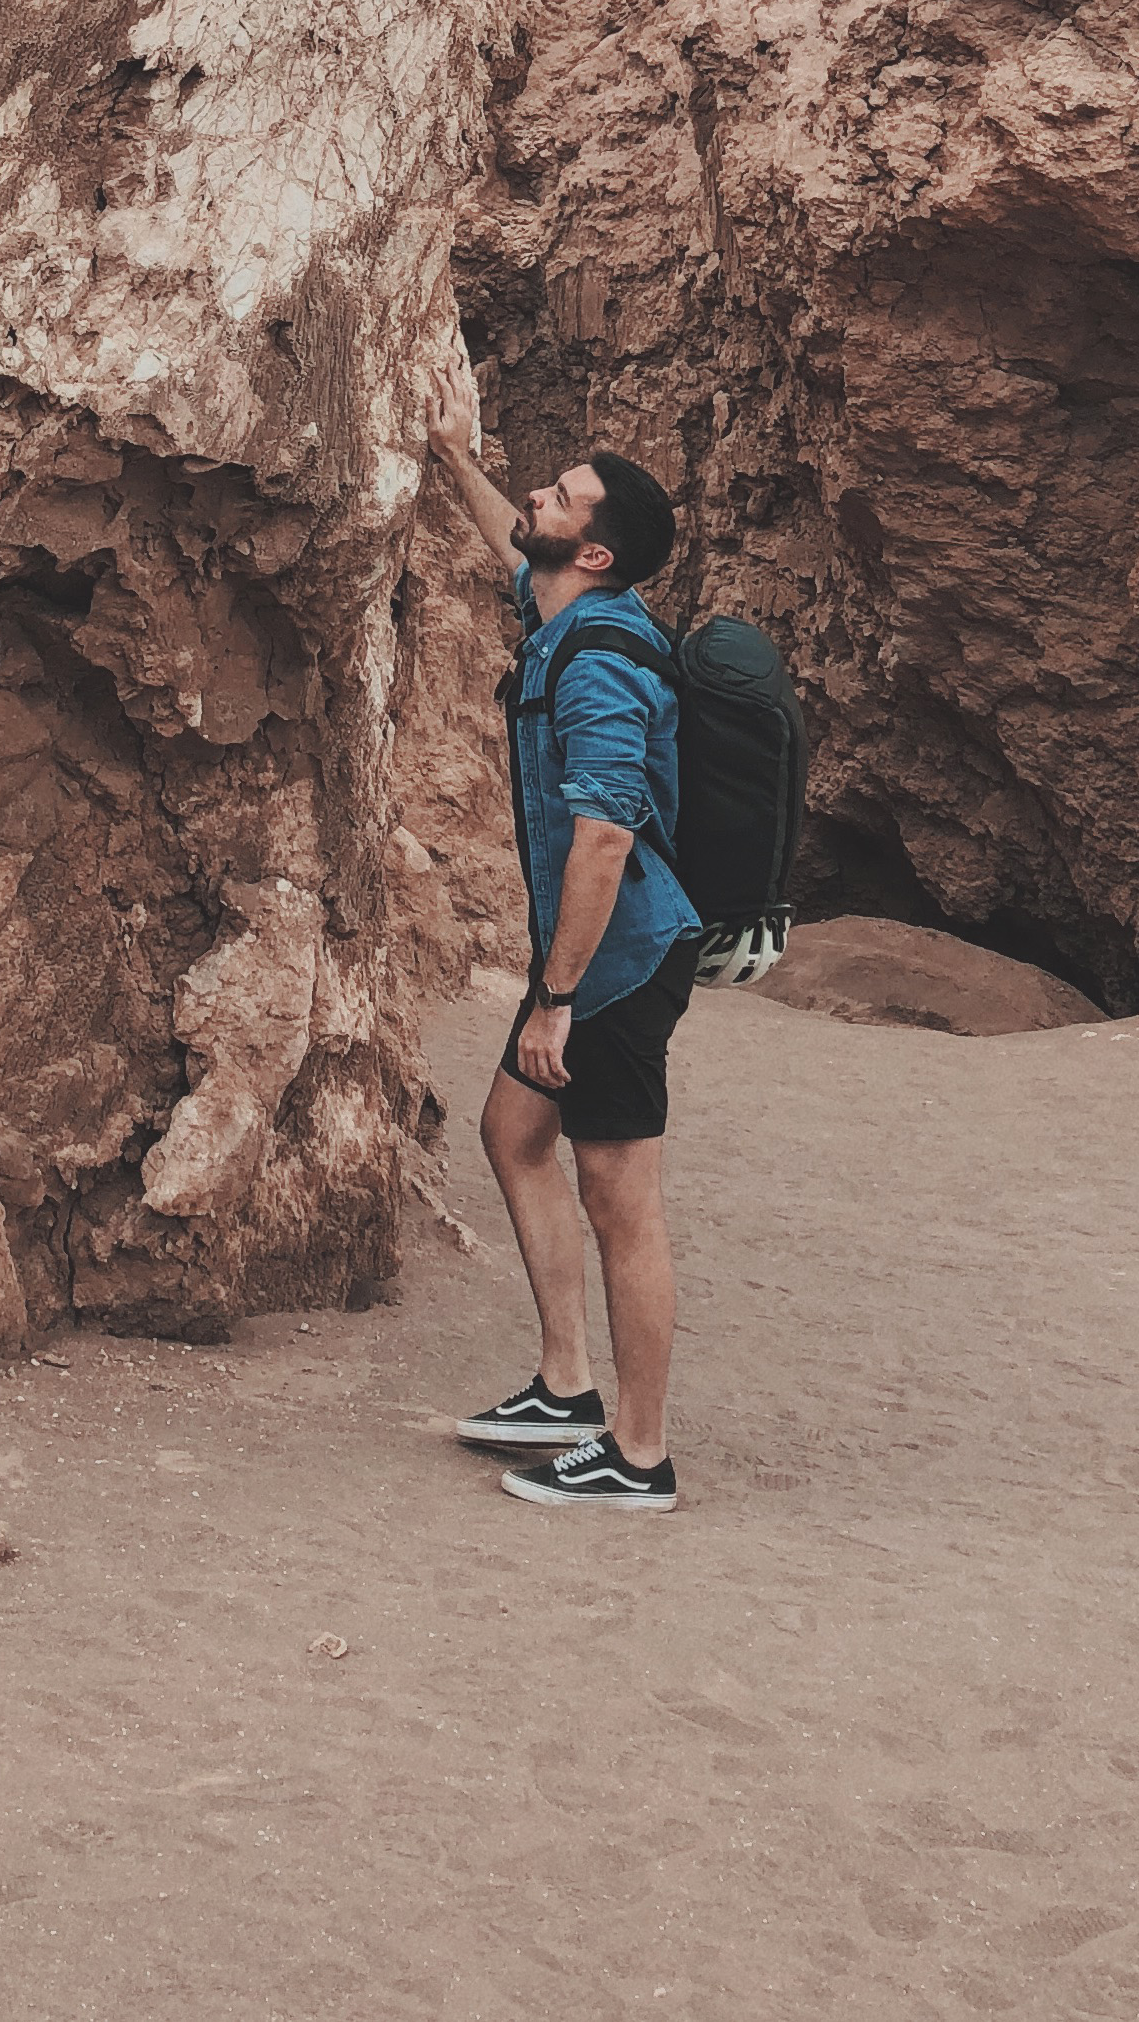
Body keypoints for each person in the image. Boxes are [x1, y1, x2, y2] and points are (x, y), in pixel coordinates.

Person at [422, 368, 701, 1511]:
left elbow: (601, 837)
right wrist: (451, 454)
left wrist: (556, 998)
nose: (537, 495)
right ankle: (564, 1385)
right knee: (510, 1128)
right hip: (593, 953)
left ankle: (639, 1457)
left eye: (563, 497)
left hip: (619, 959)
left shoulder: (596, 664)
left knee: (617, 1192)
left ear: (594, 555)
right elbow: (511, 541)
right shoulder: (569, 609)